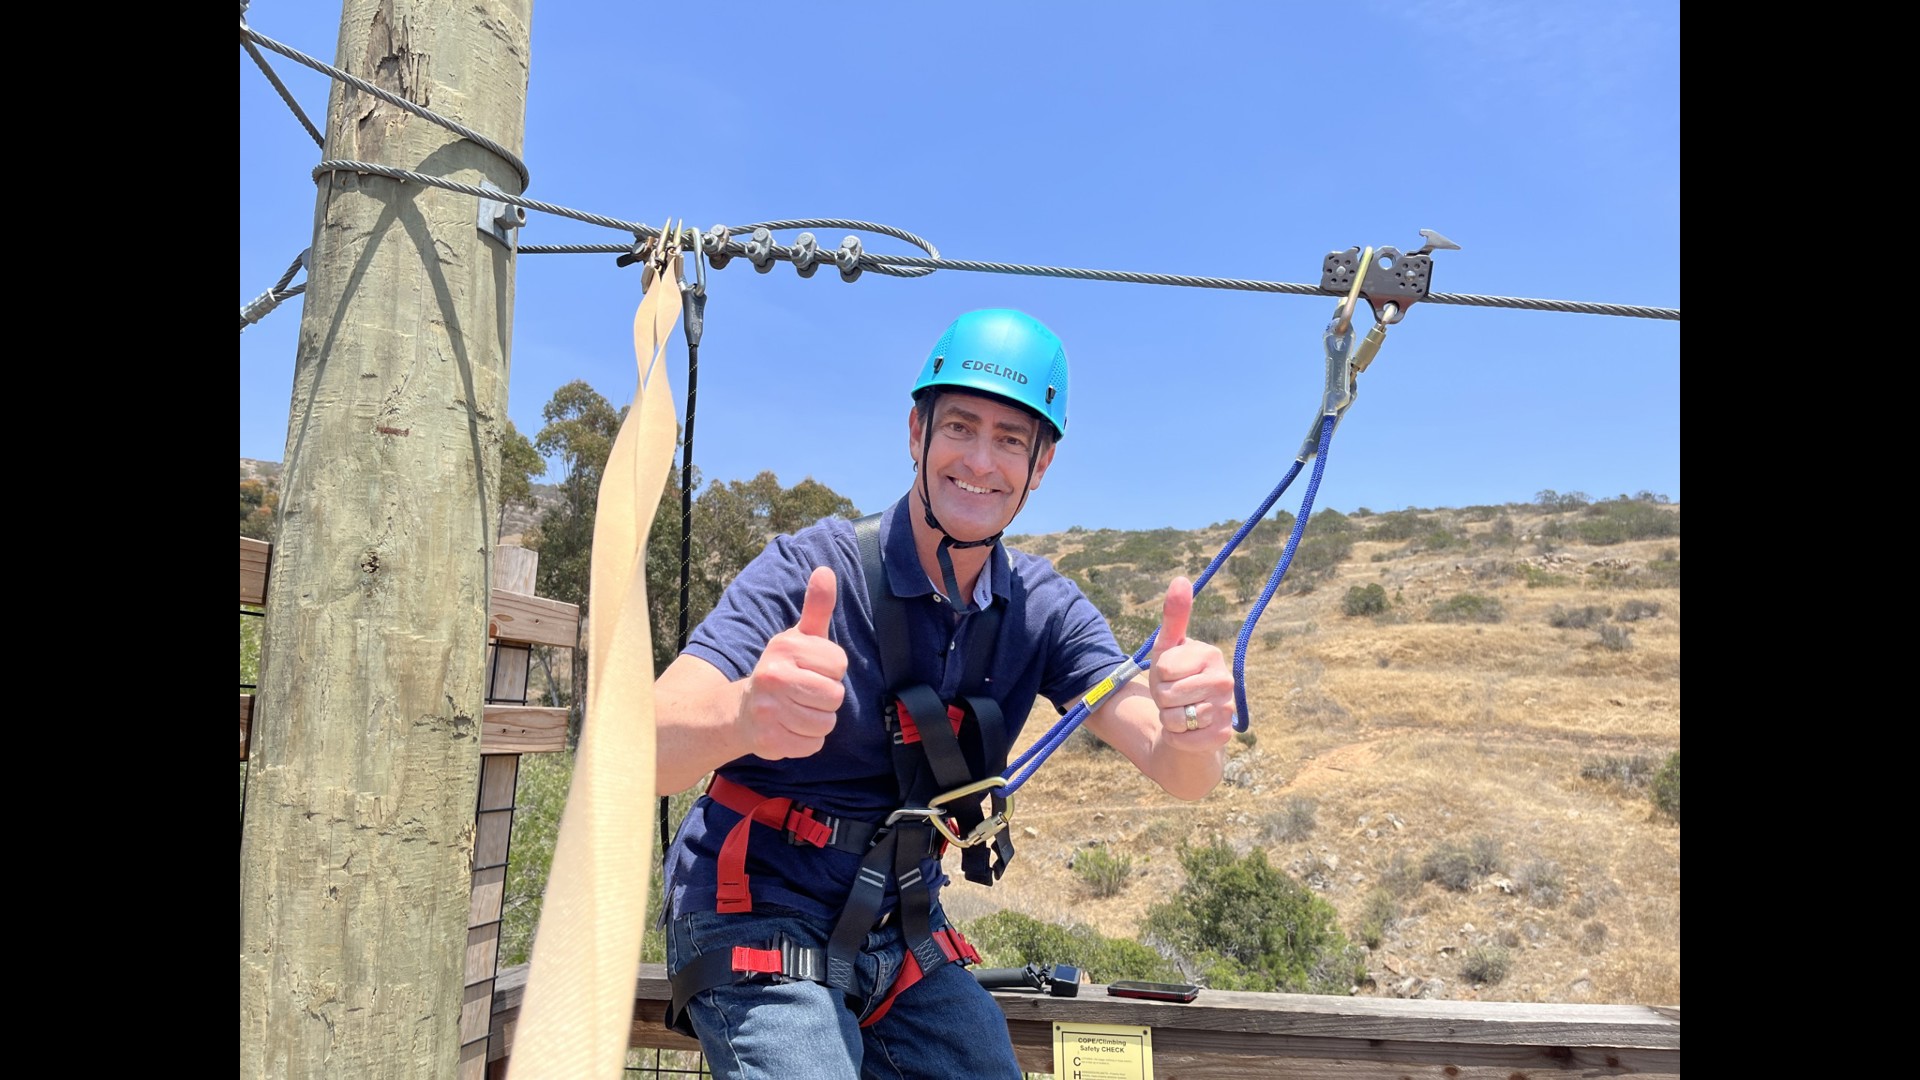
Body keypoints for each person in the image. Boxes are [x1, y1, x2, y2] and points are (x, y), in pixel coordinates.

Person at [653, 307, 1236, 1079]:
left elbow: (1178, 772)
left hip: (900, 934)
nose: (981, 461)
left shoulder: (1043, 608)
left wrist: (1193, 733)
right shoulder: (811, 571)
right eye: (960, 427)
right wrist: (741, 715)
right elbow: (639, 751)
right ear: (916, 434)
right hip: (752, 906)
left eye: (1011, 440)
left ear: (1042, 464)